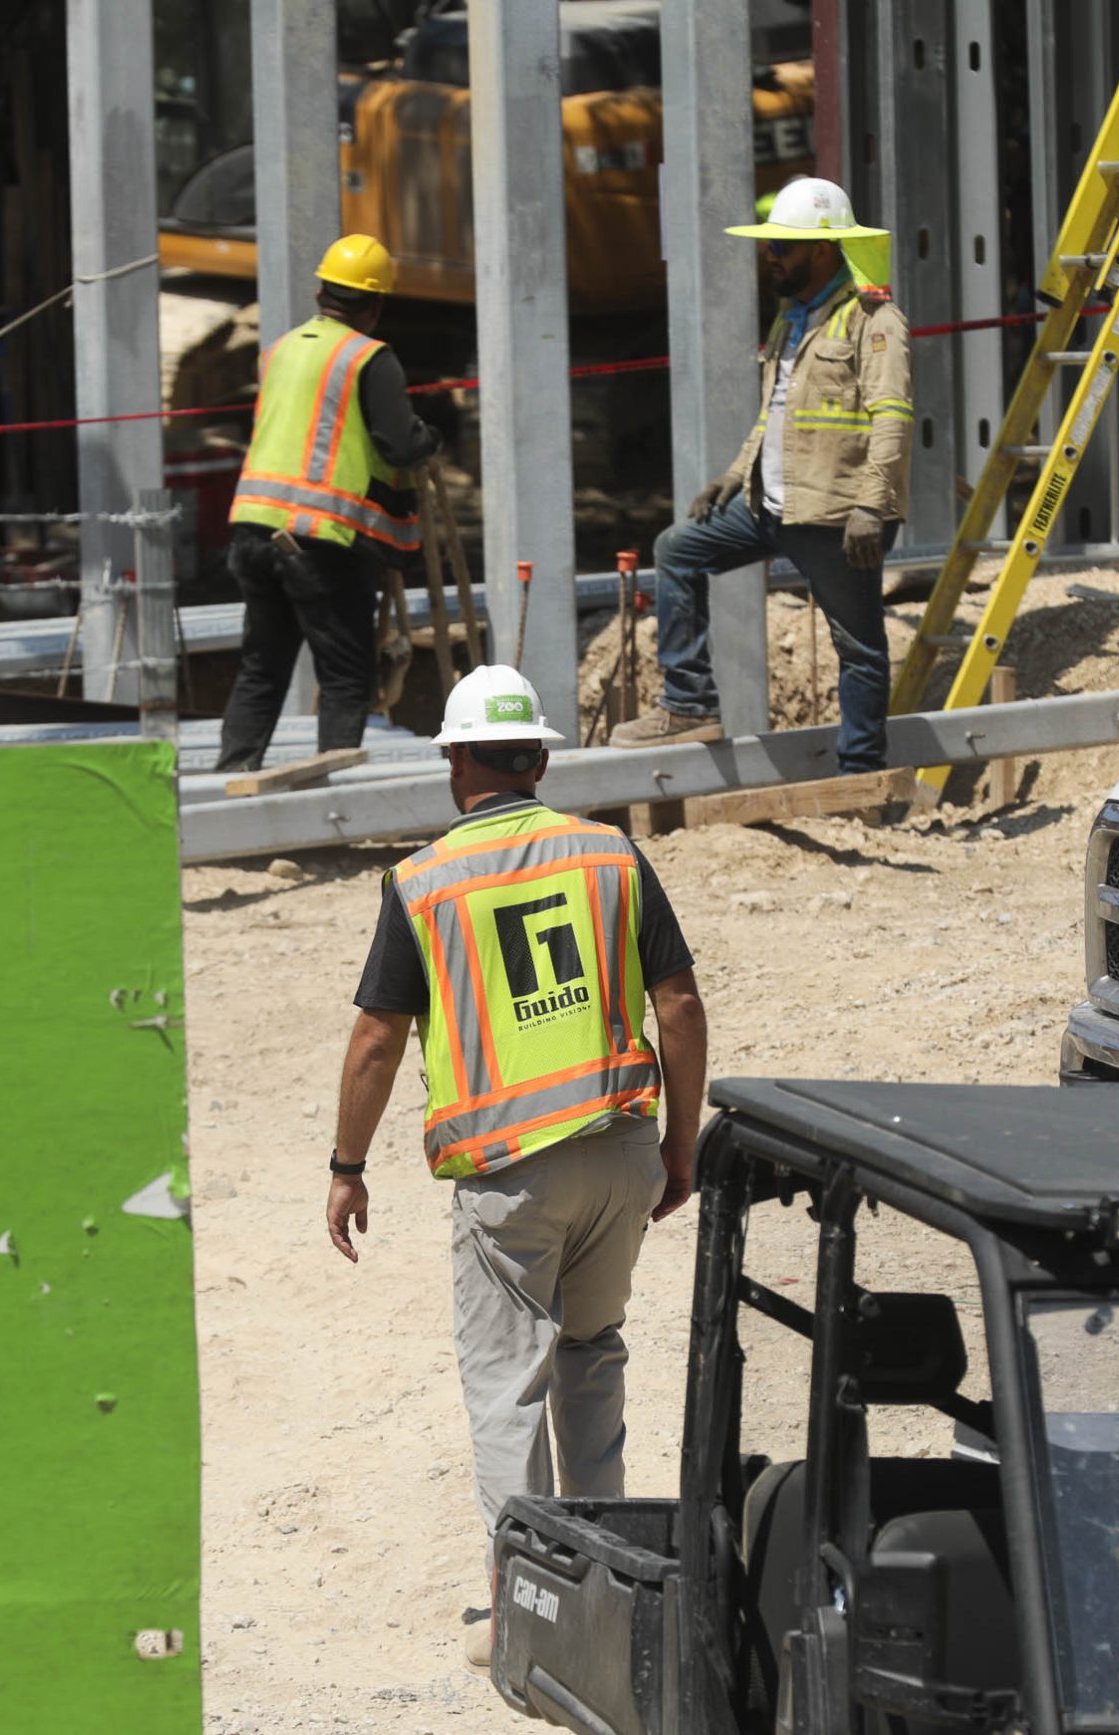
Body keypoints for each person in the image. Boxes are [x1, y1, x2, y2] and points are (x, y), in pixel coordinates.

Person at [324, 664, 709, 1667]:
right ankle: (610, 1590)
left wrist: (346, 1161)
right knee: (592, 1359)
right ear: (539, 759)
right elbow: (678, 1004)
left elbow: (376, 1037)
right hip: (619, 1149)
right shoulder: (611, 856)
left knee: (508, 1386)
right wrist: (678, 1143)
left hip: (510, 1176)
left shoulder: (424, 880)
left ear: (453, 764)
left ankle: (527, 1611)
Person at [614, 176, 912, 773]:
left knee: (858, 648)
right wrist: (734, 475)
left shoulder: (873, 320)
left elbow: (893, 419)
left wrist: (871, 507)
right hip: (770, 506)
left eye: (782, 247)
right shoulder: (791, 318)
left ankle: (861, 776)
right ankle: (690, 702)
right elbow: (775, 411)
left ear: (822, 250)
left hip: (835, 514)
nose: (769, 257)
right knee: (678, 548)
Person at [217, 234, 442, 773]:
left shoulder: (280, 350)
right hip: (320, 540)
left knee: (261, 669)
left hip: (253, 528)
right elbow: (401, 444)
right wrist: (430, 438)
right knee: (346, 675)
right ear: (376, 303)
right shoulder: (368, 357)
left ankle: (228, 783)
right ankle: (336, 803)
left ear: (321, 292)